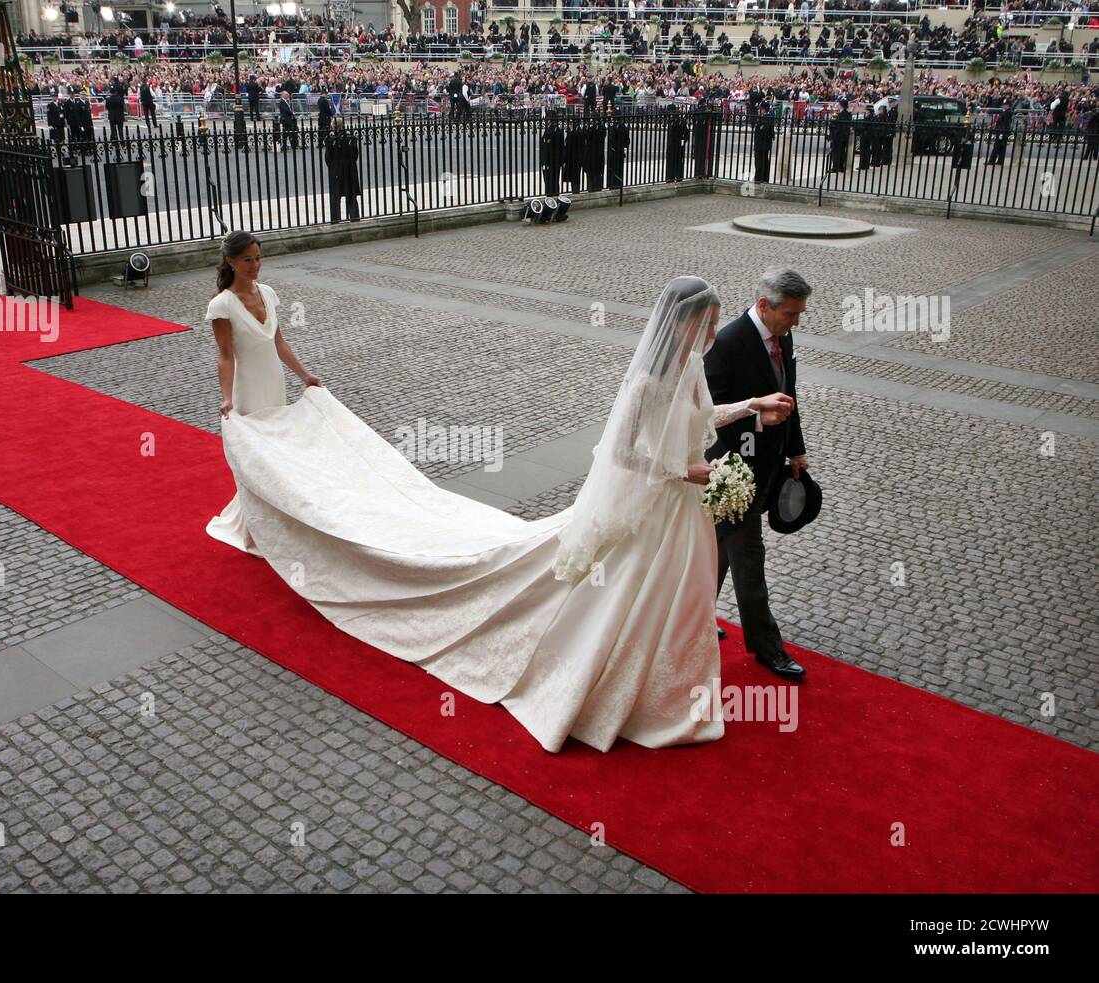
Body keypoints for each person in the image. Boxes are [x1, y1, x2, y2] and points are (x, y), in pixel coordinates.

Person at [207, 274, 792, 753]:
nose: (714, 332)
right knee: (634, 597)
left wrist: (751, 407)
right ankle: (632, 692)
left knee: (682, 600)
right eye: (707, 323)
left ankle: (678, 689)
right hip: (660, 505)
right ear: (683, 323)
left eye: (715, 323)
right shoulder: (645, 381)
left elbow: (701, 420)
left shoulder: (691, 369)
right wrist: (685, 473)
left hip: (684, 510)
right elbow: (622, 453)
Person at [703, 268, 812, 681]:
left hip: (769, 465)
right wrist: (758, 413)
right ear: (764, 305)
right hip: (732, 474)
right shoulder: (726, 343)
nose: (796, 322)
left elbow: (789, 397)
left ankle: (690, 621)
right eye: (790, 314)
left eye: (799, 315)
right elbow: (707, 415)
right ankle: (768, 648)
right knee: (749, 557)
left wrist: (796, 449)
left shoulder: (783, 336)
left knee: (715, 555)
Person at [205, 231, 323, 553]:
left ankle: (278, 518)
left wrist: (305, 375)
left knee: (276, 453)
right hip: (248, 387)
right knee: (254, 459)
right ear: (231, 261)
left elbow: (279, 343)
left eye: (258, 258)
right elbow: (225, 354)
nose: (255, 265)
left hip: (274, 383)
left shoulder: (268, 293)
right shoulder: (221, 305)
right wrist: (227, 397)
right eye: (248, 260)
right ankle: (252, 528)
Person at [323, 117, 361, 223]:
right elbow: (355, 155)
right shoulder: (351, 138)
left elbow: (328, 157)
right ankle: (354, 217)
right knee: (351, 195)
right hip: (350, 169)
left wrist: (332, 166)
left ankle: (335, 219)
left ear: (332, 126)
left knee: (336, 196)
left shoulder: (330, 139)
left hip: (336, 169)